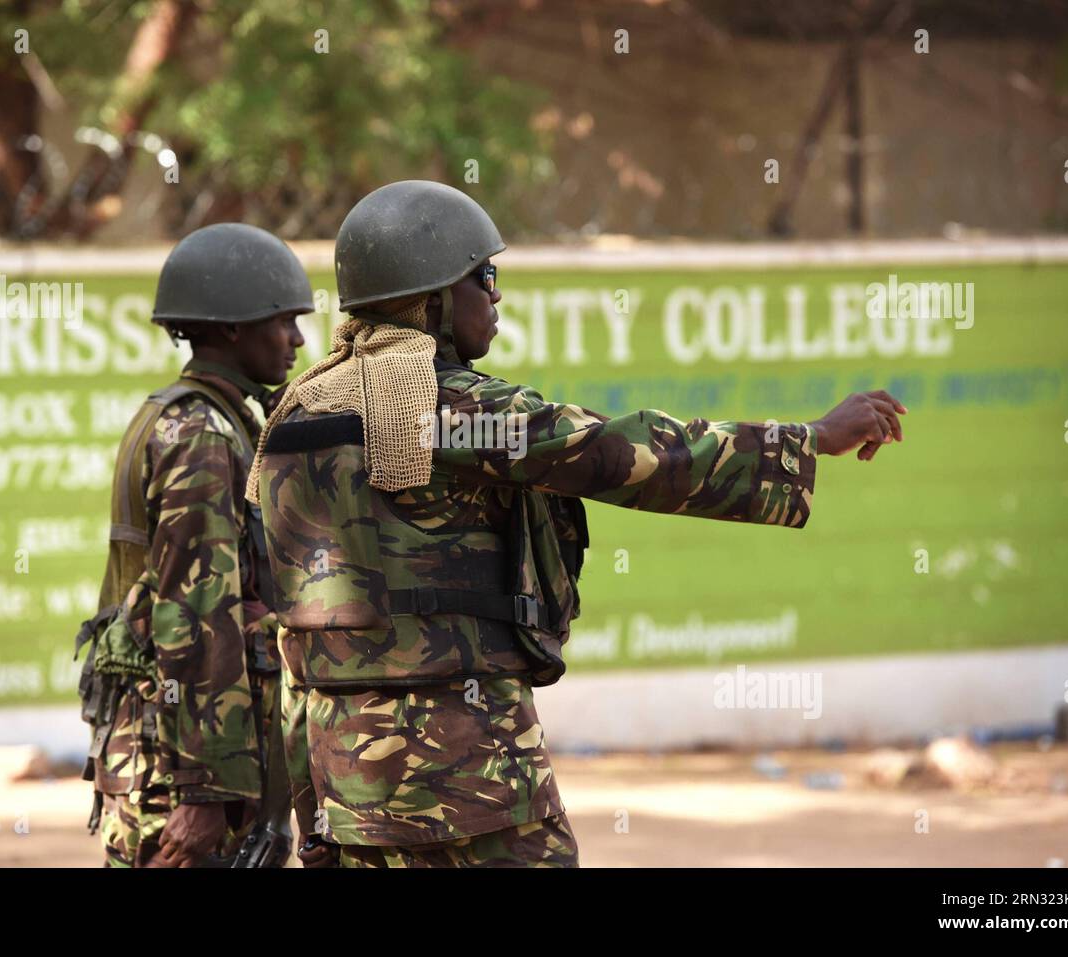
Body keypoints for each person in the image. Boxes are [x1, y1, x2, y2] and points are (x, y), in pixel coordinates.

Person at [247, 180, 907, 867]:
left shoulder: (297, 416)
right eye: (485, 276)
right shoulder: (448, 406)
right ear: (433, 295)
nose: (496, 296)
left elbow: (288, 615)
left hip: (341, 774)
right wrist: (806, 440)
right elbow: (625, 453)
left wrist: (307, 802)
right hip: (465, 771)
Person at [75, 222, 311, 867]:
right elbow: (198, 615)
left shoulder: (212, 418)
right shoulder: (199, 435)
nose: (297, 340)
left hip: (183, 748)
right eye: (284, 321)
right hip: (182, 764)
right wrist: (207, 793)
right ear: (233, 327)